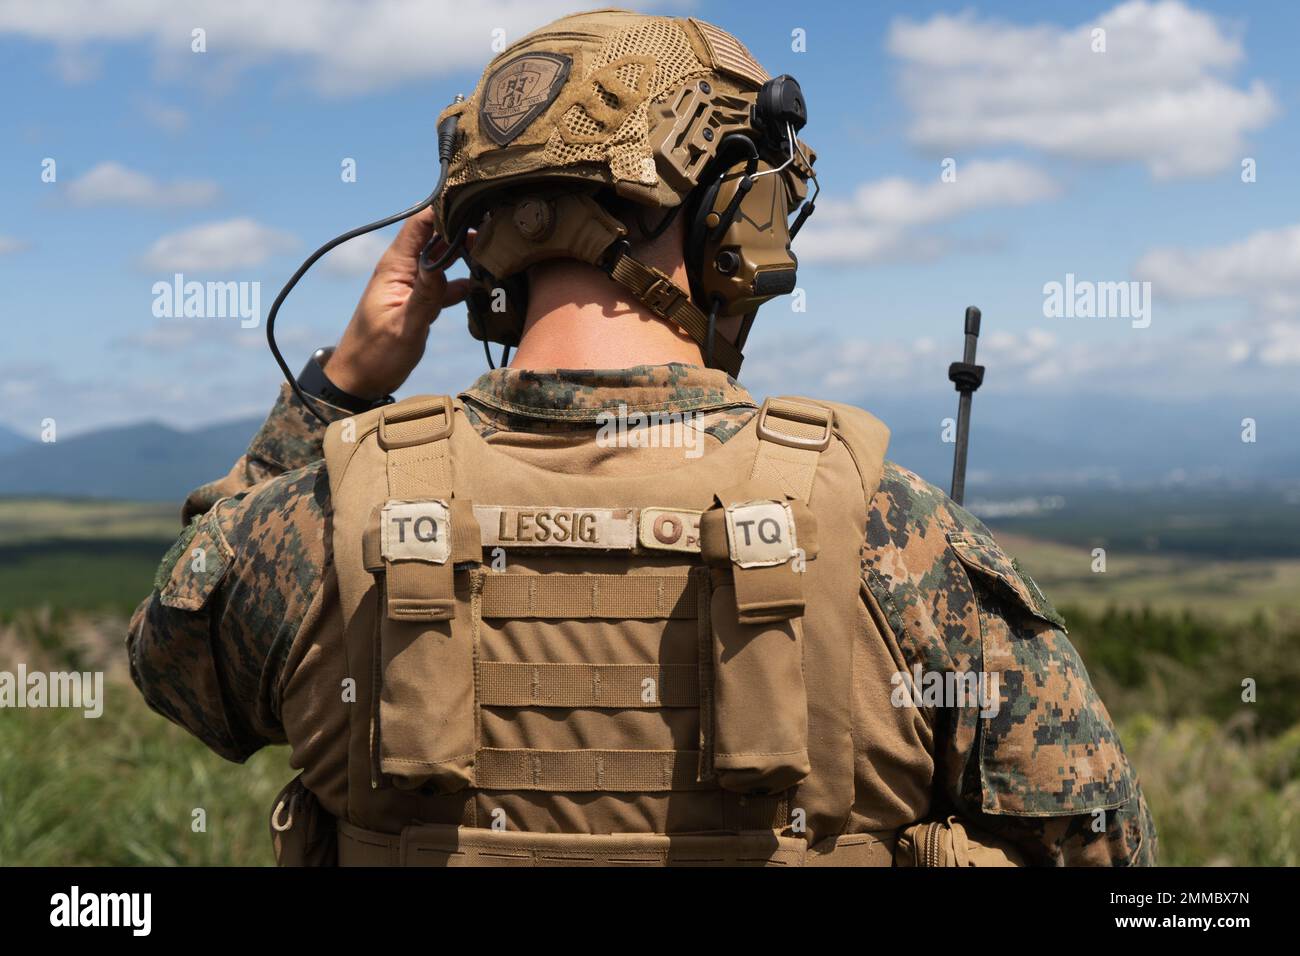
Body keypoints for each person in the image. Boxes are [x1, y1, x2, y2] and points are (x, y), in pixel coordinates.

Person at [128, 9, 1155, 867]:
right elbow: (1107, 858)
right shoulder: (896, 534)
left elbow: (174, 658)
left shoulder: (324, 518)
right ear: (728, 216)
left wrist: (338, 385)